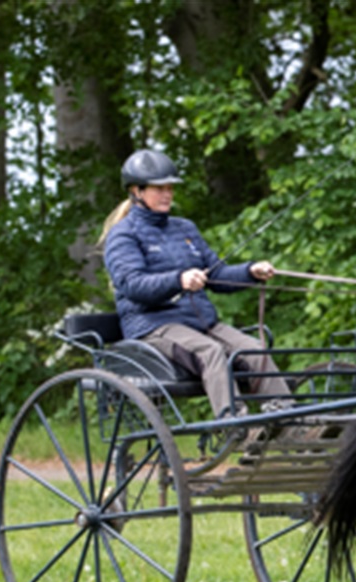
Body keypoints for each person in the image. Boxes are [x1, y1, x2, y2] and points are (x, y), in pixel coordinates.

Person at [101, 148, 291, 418]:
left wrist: (251, 271)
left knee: (254, 349)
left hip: (199, 321)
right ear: (136, 191)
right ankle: (238, 426)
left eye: (170, 188)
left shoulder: (185, 229)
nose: (167, 194)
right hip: (153, 324)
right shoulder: (123, 236)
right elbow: (133, 285)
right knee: (210, 352)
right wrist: (178, 280)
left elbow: (217, 275)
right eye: (159, 189)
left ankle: (291, 422)